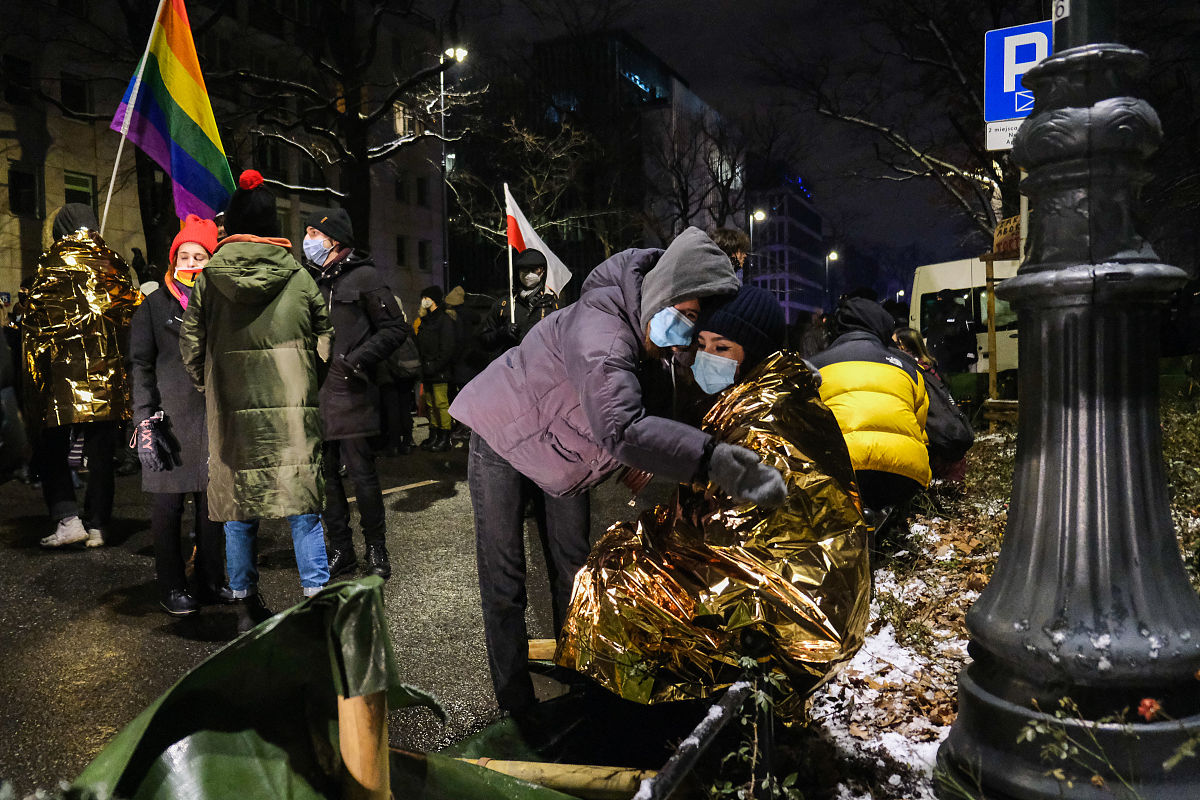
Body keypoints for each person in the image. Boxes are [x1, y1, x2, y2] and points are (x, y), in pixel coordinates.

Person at [450, 225, 786, 715]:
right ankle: (516, 705)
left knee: (575, 567)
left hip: (559, 449)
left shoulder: (659, 329)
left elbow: (690, 394)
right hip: (503, 434)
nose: (687, 331)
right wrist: (709, 459)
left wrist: (781, 378)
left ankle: (578, 682)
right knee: (505, 580)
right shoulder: (602, 330)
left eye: (696, 320)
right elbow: (622, 427)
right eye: (688, 314)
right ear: (665, 290)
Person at [180, 169, 332, 632]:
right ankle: (317, 602)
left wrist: (210, 388)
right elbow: (324, 338)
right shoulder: (300, 278)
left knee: (239, 510)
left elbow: (191, 345)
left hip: (231, 411)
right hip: (292, 413)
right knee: (303, 506)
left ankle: (246, 607)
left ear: (232, 223)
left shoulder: (209, 281)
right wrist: (306, 384)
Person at [24, 204, 141, 548]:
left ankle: (67, 518)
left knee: (52, 447)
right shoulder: (114, 265)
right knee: (101, 454)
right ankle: (99, 524)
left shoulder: (51, 263)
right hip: (106, 377)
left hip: (61, 379)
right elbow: (130, 313)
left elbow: (34, 319)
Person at [129, 214, 229, 615]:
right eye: (184, 256)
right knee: (168, 508)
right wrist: (143, 417)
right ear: (173, 261)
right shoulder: (154, 306)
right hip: (168, 421)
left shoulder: (223, 304)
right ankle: (171, 585)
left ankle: (210, 580)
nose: (191, 263)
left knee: (212, 507)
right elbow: (140, 364)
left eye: (199, 257)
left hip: (213, 420)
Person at [302, 208, 408, 581]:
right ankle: (341, 550)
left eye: (314, 233)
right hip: (317, 394)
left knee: (362, 476)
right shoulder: (312, 280)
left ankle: (376, 548)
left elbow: (395, 328)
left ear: (335, 239)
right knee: (327, 476)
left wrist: (355, 361)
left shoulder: (365, 277)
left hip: (352, 392)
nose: (308, 240)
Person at [809, 297, 930, 513]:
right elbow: (920, 425)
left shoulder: (814, 366)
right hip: (904, 473)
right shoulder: (910, 368)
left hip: (838, 471)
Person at [893, 326, 973, 484]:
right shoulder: (930, 369)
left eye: (894, 344)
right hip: (948, 452)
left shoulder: (915, 373)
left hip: (938, 454)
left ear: (904, 347)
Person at [478, 249, 560, 357]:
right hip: (510, 364)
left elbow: (565, 342)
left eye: (535, 269)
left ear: (543, 271)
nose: (529, 274)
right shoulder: (504, 305)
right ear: (518, 271)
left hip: (543, 364)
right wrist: (501, 334)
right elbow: (483, 341)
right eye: (525, 269)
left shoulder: (553, 306)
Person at [415, 285, 456, 452]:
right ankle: (434, 433)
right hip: (427, 370)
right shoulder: (426, 320)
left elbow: (448, 348)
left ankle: (444, 437)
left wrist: (435, 365)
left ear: (434, 300)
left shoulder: (444, 320)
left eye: (426, 297)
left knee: (441, 404)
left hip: (440, 371)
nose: (423, 301)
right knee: (431, 404)